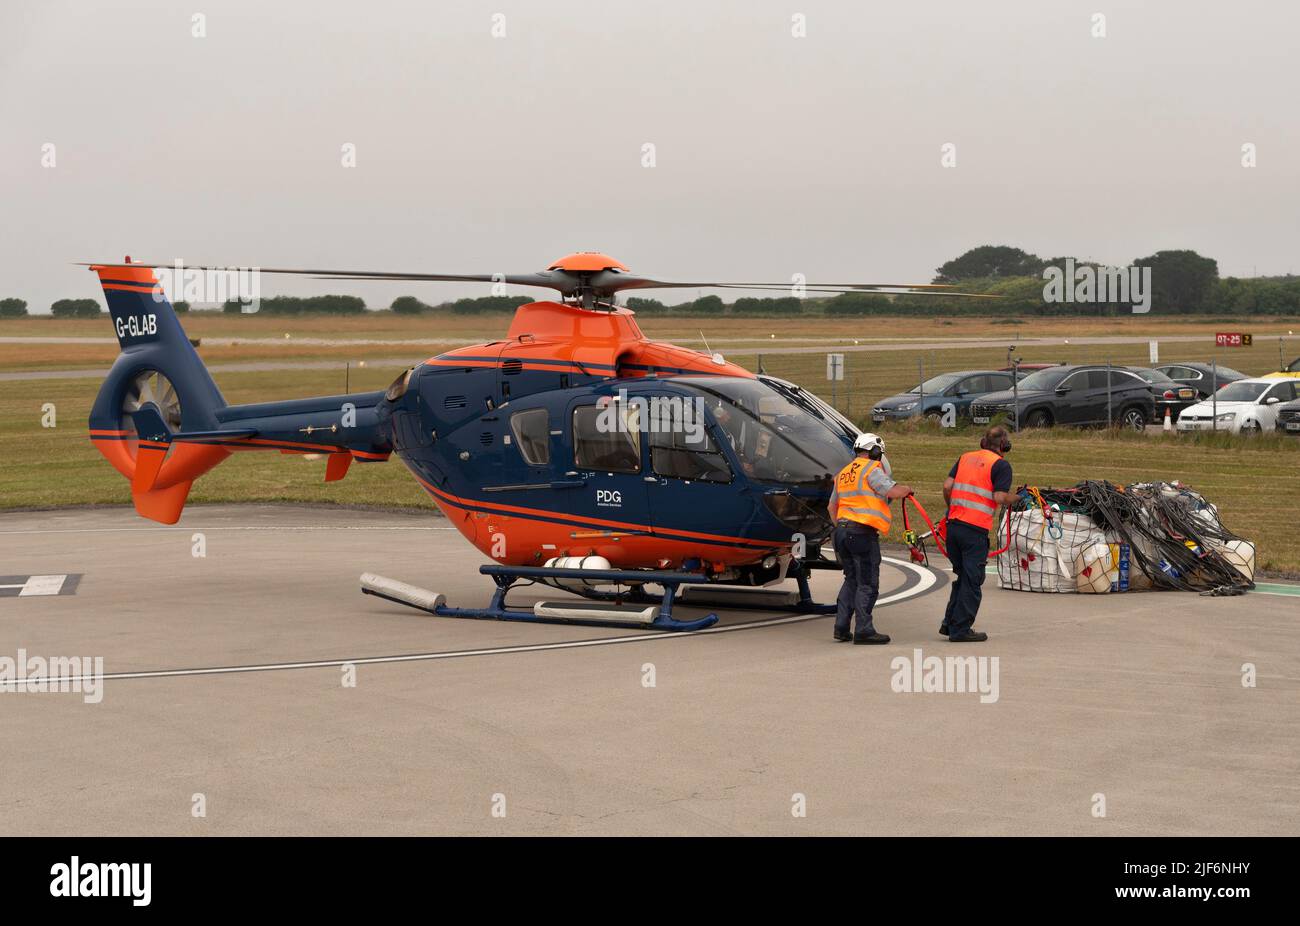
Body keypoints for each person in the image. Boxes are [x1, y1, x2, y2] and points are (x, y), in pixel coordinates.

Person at [829, 432, 913, 644]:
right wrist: (908, 490)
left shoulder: (843, 473)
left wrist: (842, 526)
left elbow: (832, 507)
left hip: (841, 532)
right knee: (867, 583)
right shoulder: (871, 469)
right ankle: (864, 630)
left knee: (851, 580)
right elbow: (892, 491)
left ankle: (841, 627)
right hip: (861, 533)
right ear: (874, 451)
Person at [940, 425, 1015, 643]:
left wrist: (952, 508)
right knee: (972, 581)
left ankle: (949, 622)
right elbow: (1000, 497)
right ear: (1004, 445)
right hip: (974, 531)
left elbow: (947, 486)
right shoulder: (1000, 465)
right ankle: (960, 629)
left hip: (953, 526)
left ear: (983, 442)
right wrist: (1018, 498)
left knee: (963, 577)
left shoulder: (965, 457)